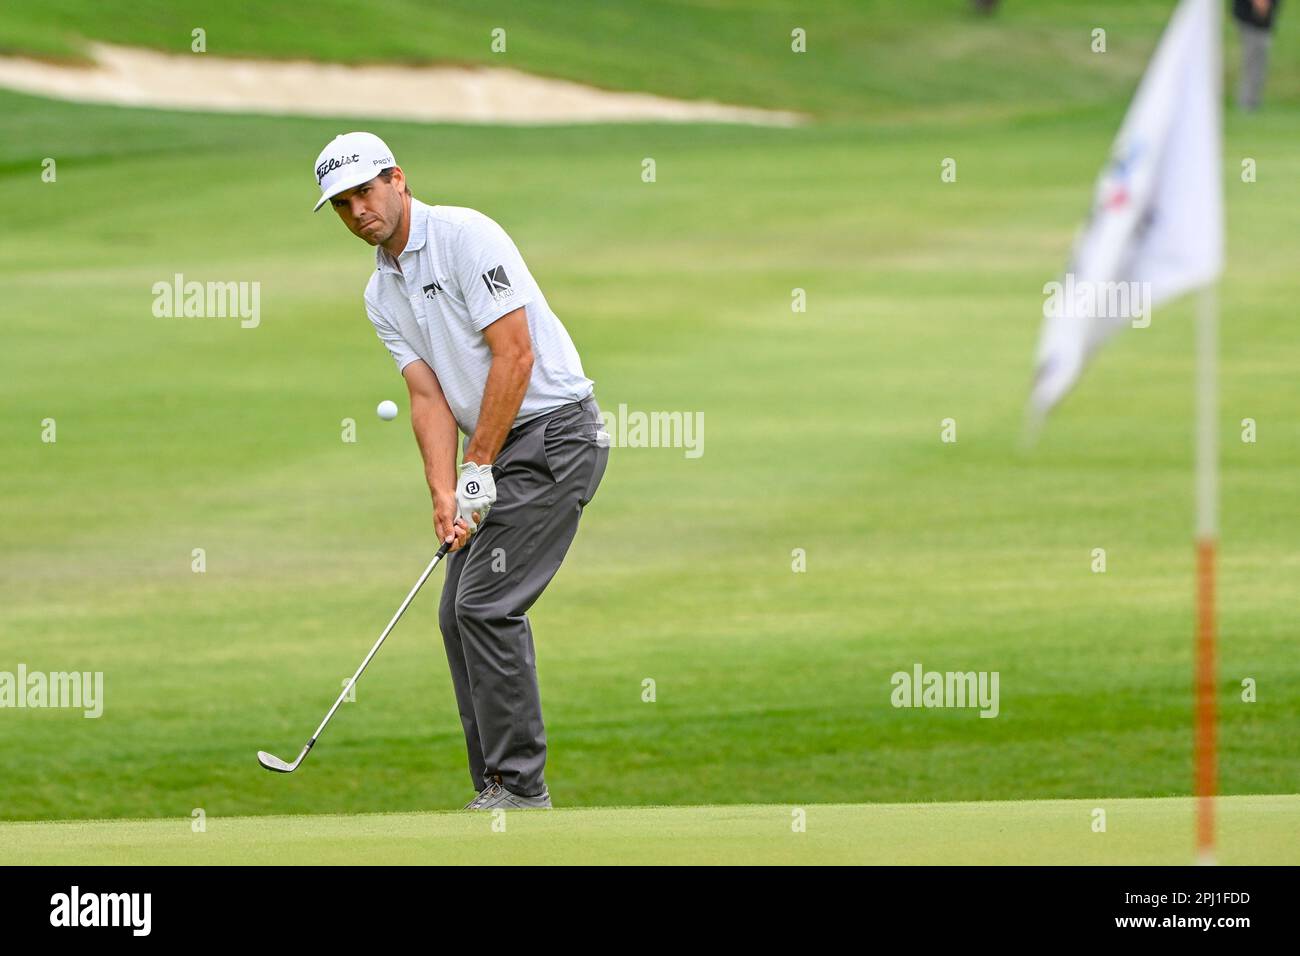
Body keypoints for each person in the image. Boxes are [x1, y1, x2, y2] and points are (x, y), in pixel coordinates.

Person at [311, 132, 610, 810]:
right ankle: (495, 787)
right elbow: (428, 396)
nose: (358, 212)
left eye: (364, 192)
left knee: (485, 603)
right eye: (342, 204)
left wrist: (478, 465)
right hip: (501, 446)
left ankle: (520, 788)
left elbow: (516, 356)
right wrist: (445, 491)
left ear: (397, 179)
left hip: (559, 434)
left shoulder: (466, 236)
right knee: (455, 614)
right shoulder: (380, 293)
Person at [1234, 0, 1283, 111]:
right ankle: (1247, 103)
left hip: (1261, 22)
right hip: (1253, 19)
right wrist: (1261, 5)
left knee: (1258, 63)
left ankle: (1253, 101)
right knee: (1253, 62)